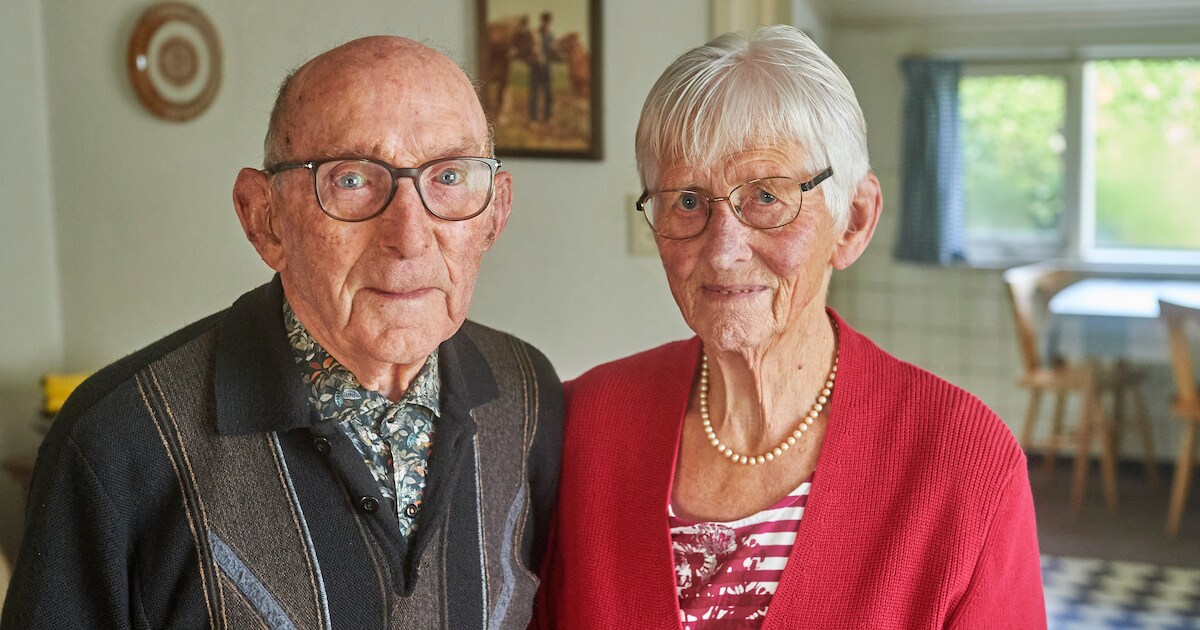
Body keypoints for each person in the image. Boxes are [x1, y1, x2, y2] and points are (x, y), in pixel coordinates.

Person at [2, 36, 562, 630]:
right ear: (262, 217)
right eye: (352, 180)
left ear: (495, 212)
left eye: (449, 175)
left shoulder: (526, 394)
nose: (411, 236)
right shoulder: (119, 440)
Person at [537, 26, 1045, 628]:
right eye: (688, 201)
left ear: (853, 221)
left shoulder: (965, 464)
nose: (724, 251)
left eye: (767, 197)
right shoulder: (577, 428)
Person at [527, 11, 557, 122]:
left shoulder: (551, 36)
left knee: (549, 94)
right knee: (534, 94)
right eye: (545, 21)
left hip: (547, 69)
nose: (546, 24)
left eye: (548, 22)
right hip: (536, 68)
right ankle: (532, 118)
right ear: (542, 21)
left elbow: (553, 52)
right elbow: (530, 50)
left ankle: (547, 118)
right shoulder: (535, 34)